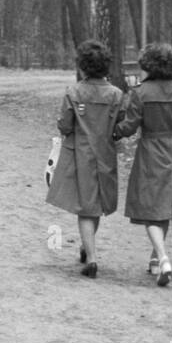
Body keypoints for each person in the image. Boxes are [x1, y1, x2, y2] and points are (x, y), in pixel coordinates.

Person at [114, 43, 172, 287]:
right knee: (166, 205)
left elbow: (129, 126)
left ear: (148, 65)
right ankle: (154, 259)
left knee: (150, 206)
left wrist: (111, 132)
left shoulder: (141, 93)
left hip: (150, 150)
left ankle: (162, 257)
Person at [46, 40, 128, 279]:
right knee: (96, 206)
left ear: (82, 66)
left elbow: (64, 125)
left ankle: (91, 258)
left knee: (85, 207)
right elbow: (120, 123)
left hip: (80, 154)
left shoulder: (74, 92)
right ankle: (87, 245)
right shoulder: (116, 95)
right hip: (105, 154)